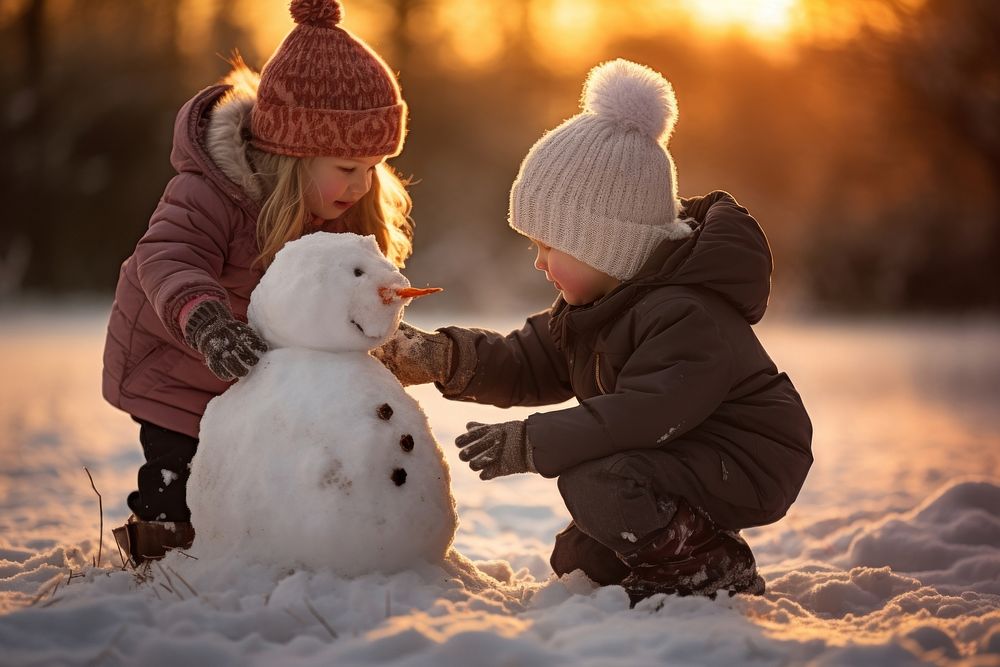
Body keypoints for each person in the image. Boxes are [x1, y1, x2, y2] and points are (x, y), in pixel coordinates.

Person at [374, 59, 813, 604]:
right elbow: (530, 359)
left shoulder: (684, 314)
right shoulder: (601, 305)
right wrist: (445, 358)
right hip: (682, 450)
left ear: (606, 244)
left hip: (746, 456)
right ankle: (678, 548)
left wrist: (534, 442)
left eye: (549, 247)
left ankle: (709, 567)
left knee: (598, 484)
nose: (538, 263)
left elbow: (643, 412)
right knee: (581, 560)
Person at [103, 0, 413, 565]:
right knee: (184, 476)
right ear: (291, 154)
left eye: (374, 166)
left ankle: (266, 547)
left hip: (256, 380)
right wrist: (207, 322)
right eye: (348, 168)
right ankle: (162, 556)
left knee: (263, 469)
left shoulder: (341, 214)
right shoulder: (210, 192)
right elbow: (167, 256)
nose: (364, 185)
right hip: (178, 369)